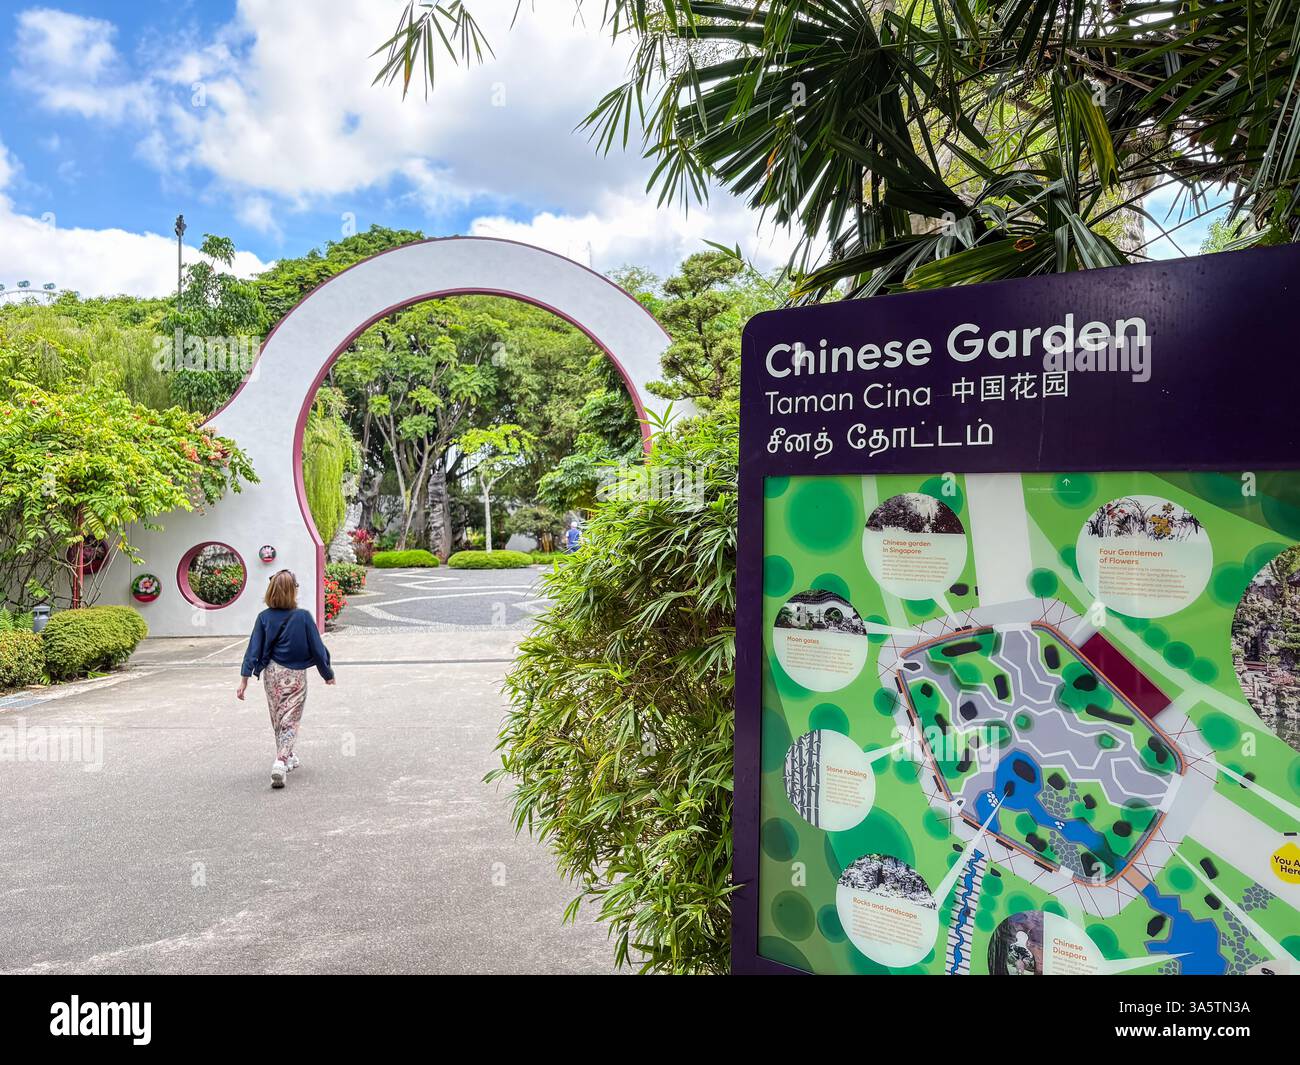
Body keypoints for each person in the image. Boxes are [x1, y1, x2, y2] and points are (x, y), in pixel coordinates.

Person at [236, 569, 335, 789]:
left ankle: (287, 756)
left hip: (272, 673)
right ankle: (280, 761)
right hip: (295, 675)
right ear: (292, 591)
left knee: (278, 717)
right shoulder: (303, 617)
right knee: (291, 717)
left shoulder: (263, 618)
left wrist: (244, 679)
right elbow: (318, 649)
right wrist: (327, 673)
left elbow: (253, 649)